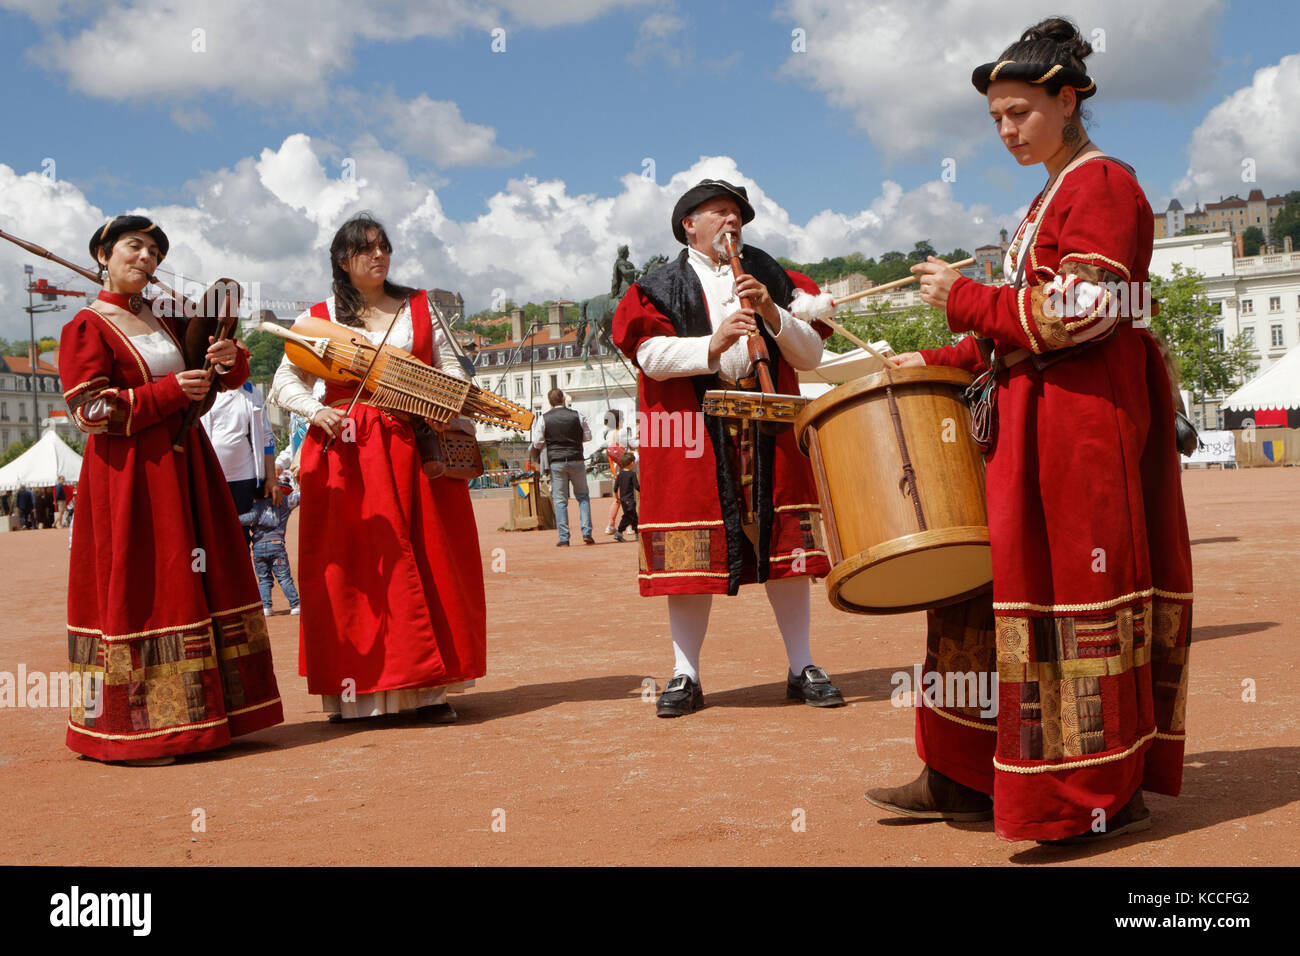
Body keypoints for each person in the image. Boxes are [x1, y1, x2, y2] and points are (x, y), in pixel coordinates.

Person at [865, 18, 1194, 844]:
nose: (1007, 129)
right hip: (1022, 426)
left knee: (1070, 604)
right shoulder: (1047, 198)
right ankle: (965, 773)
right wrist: (928, 355)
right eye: (996, 119)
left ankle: (1091, 796)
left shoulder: (1105, 185)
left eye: (1020, 112)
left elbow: (1082, 311)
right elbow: (1002, 332)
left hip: (1080, 429)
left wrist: (961, 297)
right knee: (980, 596)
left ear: (1068, 97)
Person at [612, 178, 845, 716]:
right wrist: (714, 344)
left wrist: (773, 313)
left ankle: (801, 665)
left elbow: (809, 356)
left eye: (737, 213)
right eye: (719, 212)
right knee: (691, 554)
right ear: (688, 225)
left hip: (769, 425)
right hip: (695, 434)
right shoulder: (658, 285)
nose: (732, 222)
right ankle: (685, 674)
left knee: (785, 549)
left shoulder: (773, 275)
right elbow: (650, 357)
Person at [59, 215, 283, 764]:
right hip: (130, 476)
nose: (147, 259)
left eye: (155, 252)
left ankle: (215, 718)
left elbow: (214, 364)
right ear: (103, 255)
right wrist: (163, 395)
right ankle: (144, 730)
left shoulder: (167, 315)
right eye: (134, 247)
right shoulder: (87, 327)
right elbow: (89, 410)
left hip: (186, 465)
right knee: (149, 583)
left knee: (203, 575)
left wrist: (230, 362)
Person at [269, 212, 486, 725]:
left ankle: (427, 692)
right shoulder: (319, 316)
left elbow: (453, 366)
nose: (379, 255)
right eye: (366, 248)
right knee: (356, 569)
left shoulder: (419, 306)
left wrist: (444, 401)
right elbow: (284, 381)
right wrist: (315, 410)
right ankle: (358, 695)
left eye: (384, 246)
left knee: (431, 559)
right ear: (343, 261)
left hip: (416, 444)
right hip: (348, 454)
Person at [201, 377, 278, 543]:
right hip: (209, 477)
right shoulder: (204, 390)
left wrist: (271, 478)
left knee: (240, 536)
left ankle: (240, 569)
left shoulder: (252, 393)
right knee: (209, 535)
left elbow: (266, 437)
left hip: (243, 478)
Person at [532, 387, 594, 546]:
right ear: (563, 399)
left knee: (560, 500)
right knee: (583, 497)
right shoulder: (577, 415)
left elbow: (537, 442)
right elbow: (588, 436)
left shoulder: (544, 418)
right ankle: (586, 532)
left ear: (549, 402)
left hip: (557, 461)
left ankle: (564, 537)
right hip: (576, 459)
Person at [239, 477, 301, 617]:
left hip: (259, 549)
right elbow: (298, 498)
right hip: (277, 546)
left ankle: (266, 607)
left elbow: (244, 519)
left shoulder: (255, 509)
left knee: (264, 579)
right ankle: (295, 605)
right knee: (284, 578)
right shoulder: (283, 503)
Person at [612, 450, 638, 542]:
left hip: (623, 499)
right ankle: (619, 532)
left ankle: (637, 533)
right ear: (631, 463)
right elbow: (637, 487)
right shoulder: (632, 474)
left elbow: (615, 488)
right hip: (630, 499)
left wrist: (617, 498)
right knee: (628, 516)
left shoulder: (620, 474)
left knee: (634, 516)